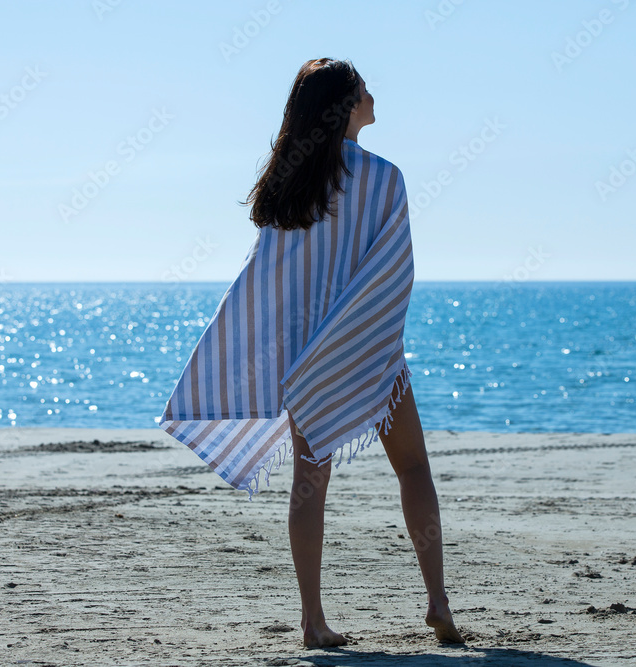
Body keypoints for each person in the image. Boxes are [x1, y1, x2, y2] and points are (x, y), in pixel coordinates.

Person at [159, 57, 463, 648]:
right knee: (415, 468)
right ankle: (437, 602)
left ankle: (313, 622)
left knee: (309, 482)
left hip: (309, 362)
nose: (375, 97)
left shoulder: (290, 185)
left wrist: (283, 354)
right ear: (347, 106)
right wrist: (367, 339)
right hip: (368, 353)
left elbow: (267, 281)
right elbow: (394, 271)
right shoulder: (384, 177)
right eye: (364, 91)